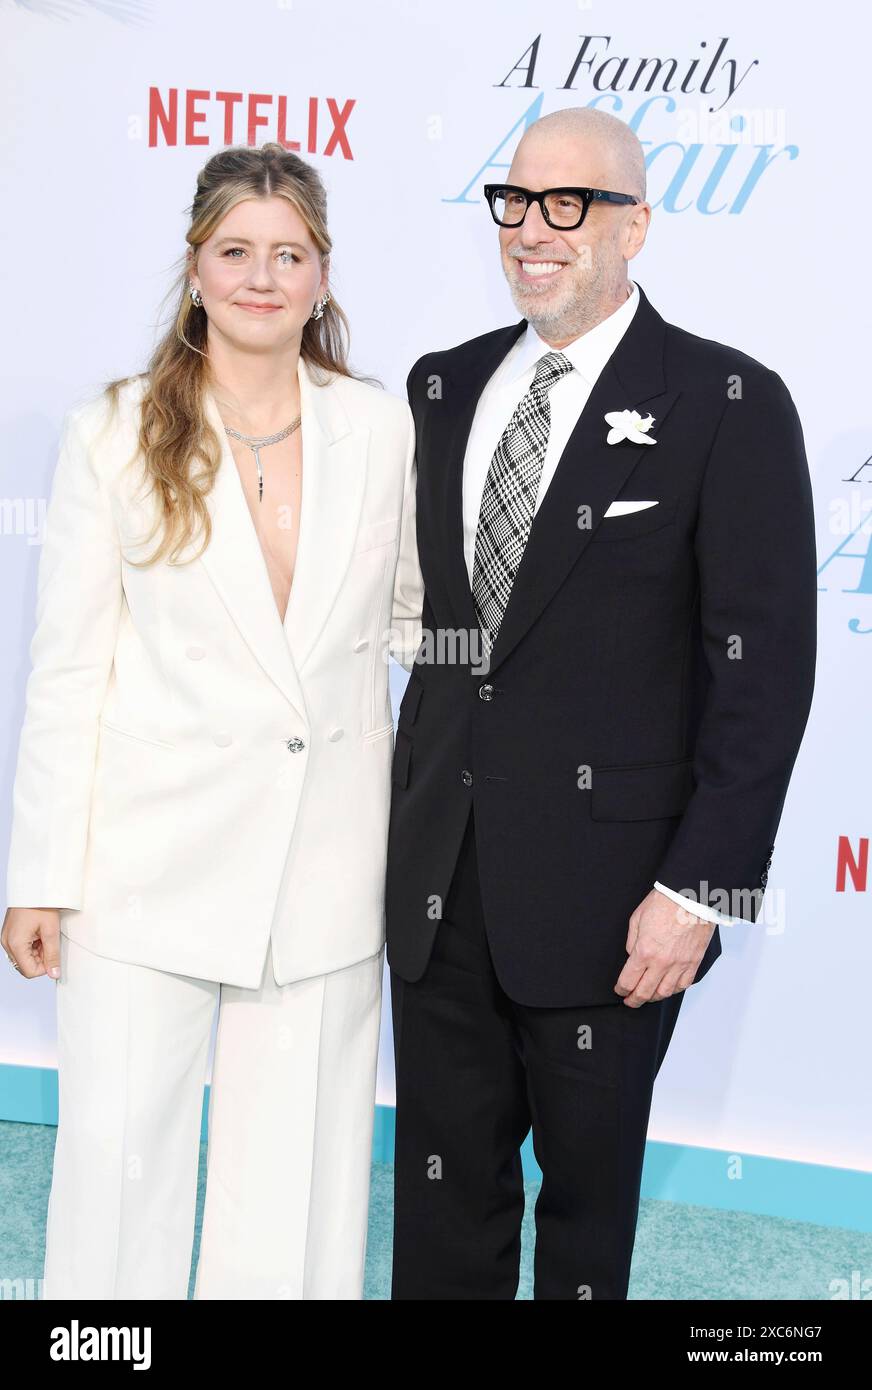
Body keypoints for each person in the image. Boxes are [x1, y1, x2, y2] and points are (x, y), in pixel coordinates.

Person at [386, 107, 817, 1299]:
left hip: (616, 905)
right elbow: (442, 635)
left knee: (583, 1231)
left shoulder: (726, 400)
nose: (533, 230)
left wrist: (697, 892)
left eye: (567, 205)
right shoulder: (442, 386)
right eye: (514, 201)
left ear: (635, 223)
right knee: (436, 1213)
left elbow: (764, 676)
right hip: (438, 884)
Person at [2, 142, 422, 1300]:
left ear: (323, 276)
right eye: (235, 251)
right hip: (143, 870)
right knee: (113, 1184)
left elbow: (414, 626)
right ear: (194, 268)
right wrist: (38, 873)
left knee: (291, 1207)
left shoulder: (378, 431)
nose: (260, 276)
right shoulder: (113, 432)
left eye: (288, 254)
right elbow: (67, 669)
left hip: (325, 871)